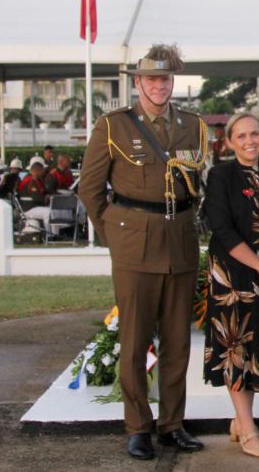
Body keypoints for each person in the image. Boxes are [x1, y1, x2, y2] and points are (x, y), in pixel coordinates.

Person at [78, 44, 208, 460]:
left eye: (165, 78)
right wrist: (115, 234)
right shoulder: (114, 126)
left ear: (173, 82)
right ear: (138, 83)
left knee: (177, 342)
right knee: (134, 342)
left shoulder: (193, 126)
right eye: (151, 78)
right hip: (134, 243)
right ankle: (138, 426)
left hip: (181, 240)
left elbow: (197, 186)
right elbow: (90, 189)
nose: (159, 85)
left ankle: (172, 424)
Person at [203, 113, 259, 459]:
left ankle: (241, 421)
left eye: (254, 133)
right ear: (229, 142)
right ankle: (248, 427)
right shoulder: (221, 175)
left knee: (257, 348)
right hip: (234, 275)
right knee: (237, 350)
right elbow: (222, 229)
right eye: (240, 136)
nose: (249, 141)